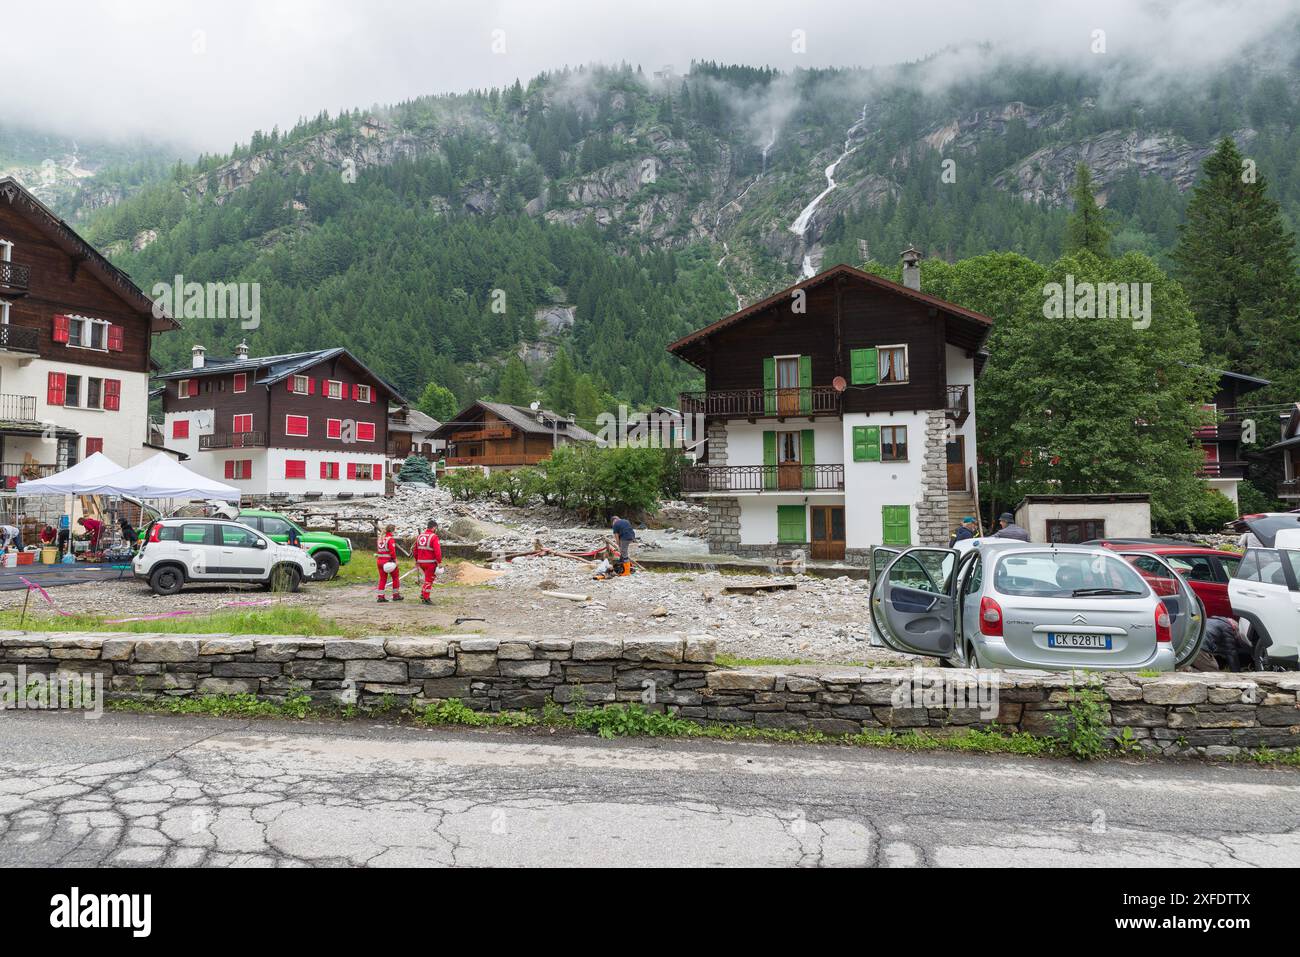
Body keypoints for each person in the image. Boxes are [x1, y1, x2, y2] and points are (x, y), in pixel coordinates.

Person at [413, 518, 442, 604]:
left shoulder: (420, 536)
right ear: (434, 528)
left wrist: (417, 560)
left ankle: (423, 593)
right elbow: (437, 551)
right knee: (429, 580)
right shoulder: (434, 537)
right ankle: (426, 598)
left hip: (421, 562)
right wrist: (439, 561)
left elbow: (415, 550)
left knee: (426, 579)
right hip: (430, 563)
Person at [375, 524, 403, 602]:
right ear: (392, 530)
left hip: (380, 561)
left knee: (382, 579)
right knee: (395, 577)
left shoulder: (380, 538)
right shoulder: (390, 539)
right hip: (388, 561)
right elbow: (392, 552)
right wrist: (395, 560)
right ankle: (395, 595)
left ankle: (380, 596)